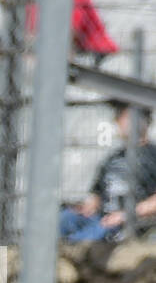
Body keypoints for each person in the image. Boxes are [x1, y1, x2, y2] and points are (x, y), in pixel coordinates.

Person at [59, 104, 156, 243]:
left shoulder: (152, 155)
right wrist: (88, 206)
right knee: (64, 218)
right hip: (102, 217)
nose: (120, 121)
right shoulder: (114, 157)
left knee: (86, 236)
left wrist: (125, 215)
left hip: (131, 223)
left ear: (144, 120)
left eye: (126, 117)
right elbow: (98, 194)